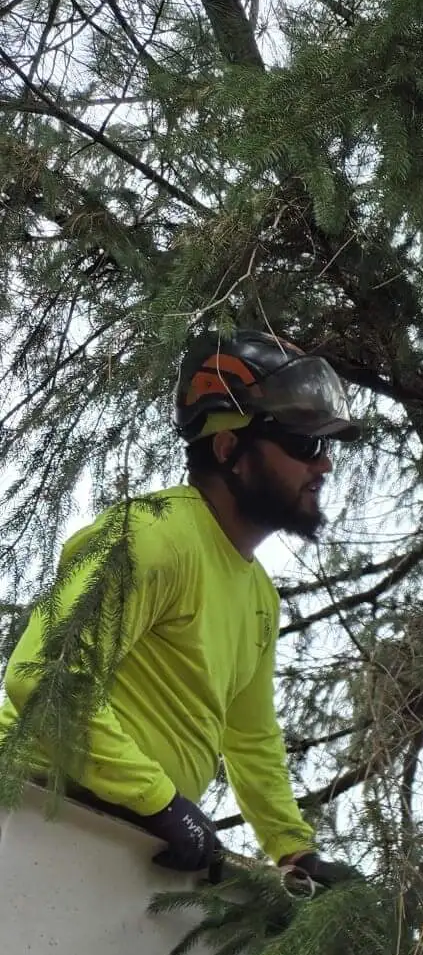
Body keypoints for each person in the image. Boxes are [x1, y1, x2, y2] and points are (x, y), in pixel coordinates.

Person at [0, 328, 361, 887]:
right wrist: (159, 802)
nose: (324, 466)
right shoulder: (152, 536)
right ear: (228, 449)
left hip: (108, 832)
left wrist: (295, 851)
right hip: (30, 804)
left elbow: (251, 736)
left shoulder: (259, 595)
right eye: (303, 443)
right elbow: (44, 679)